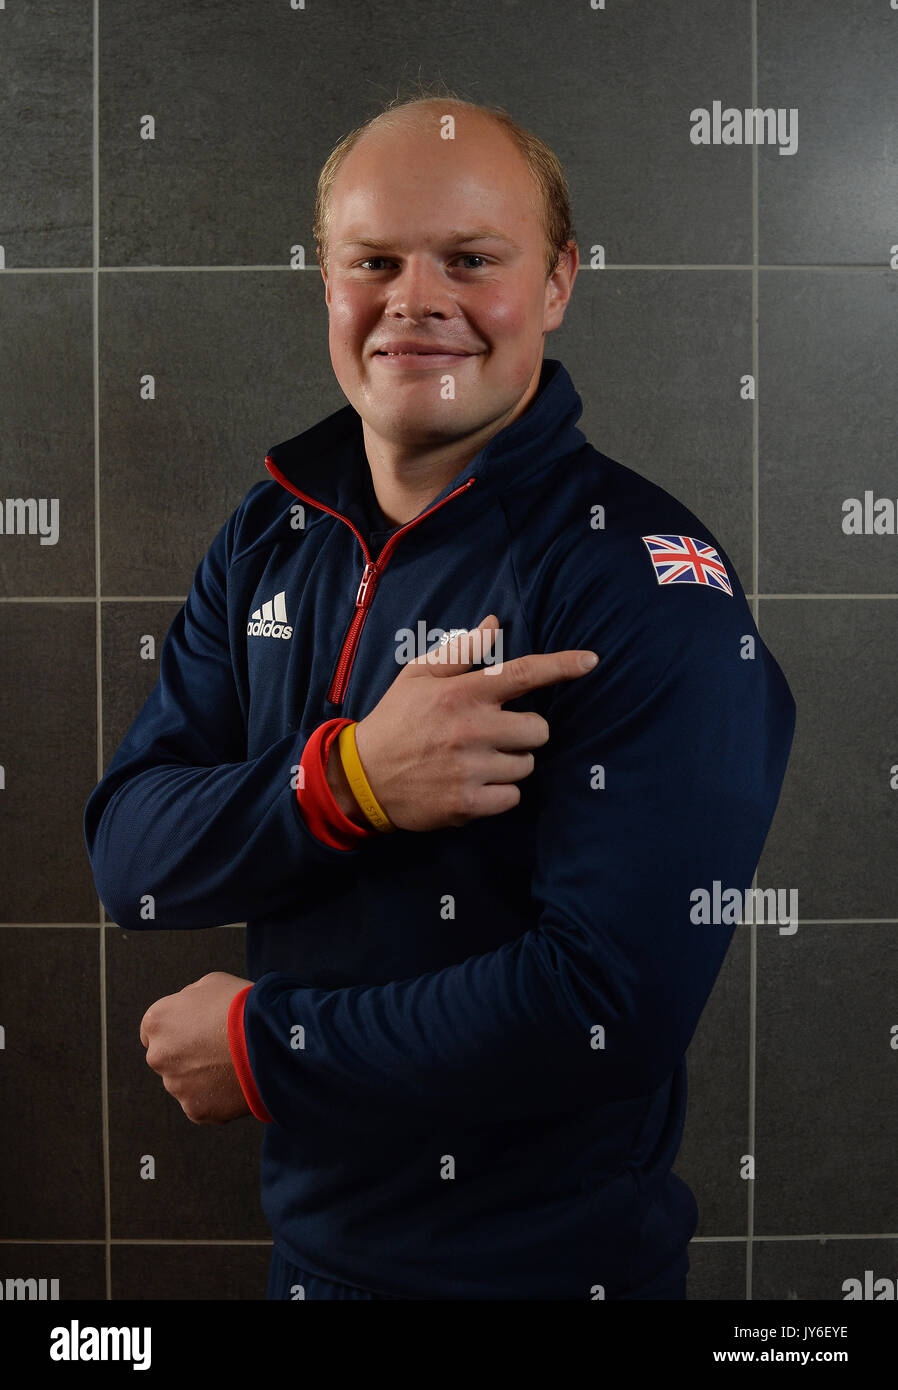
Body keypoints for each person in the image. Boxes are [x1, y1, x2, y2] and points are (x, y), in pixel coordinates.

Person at [83, 91, 796, 1301]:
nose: (415, 300)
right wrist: (348, 782)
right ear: (326, 281)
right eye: (373, 261)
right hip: (312, 1264)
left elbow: (606, 1007)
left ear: (558, 281)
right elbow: (132, 855)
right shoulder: (270, 531)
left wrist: (267, 1048)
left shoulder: (641, 580)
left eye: (470, 259)